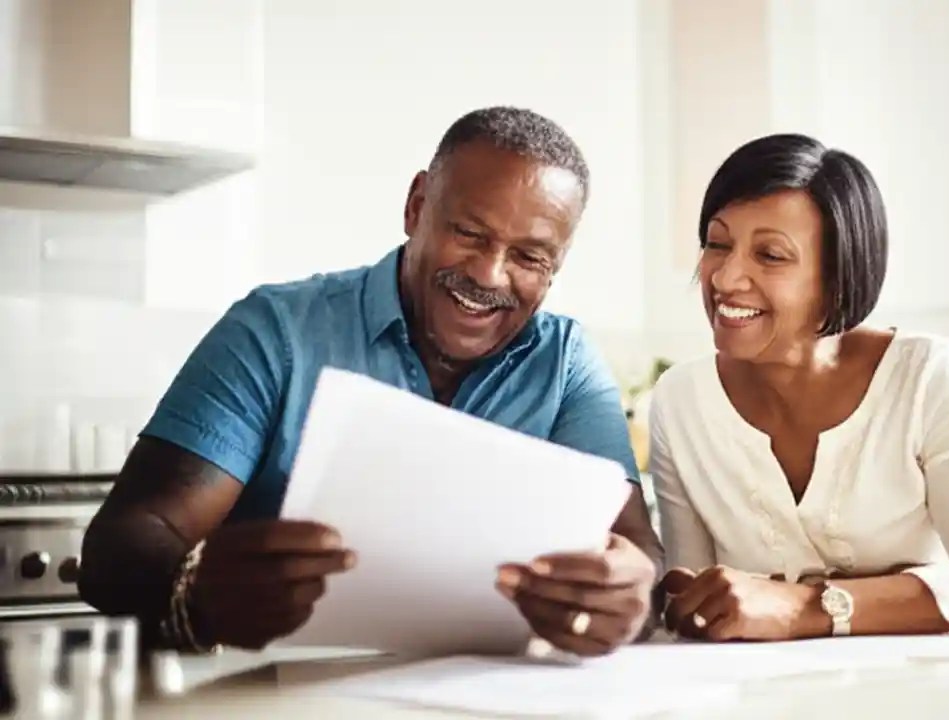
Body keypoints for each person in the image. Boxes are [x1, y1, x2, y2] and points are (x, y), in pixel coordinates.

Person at [79, 107, 661, 658]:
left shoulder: (563, 359)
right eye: (469, 232)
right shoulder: (278, 331)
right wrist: (198, 592)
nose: (489, 274)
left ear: (557, 264)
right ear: (416, 206)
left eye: (529, 257)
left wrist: (630, 596)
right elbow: (121, 546)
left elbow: (639, 553)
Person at [651, 133, 949, 641]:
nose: (726, 277)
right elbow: (692, 606)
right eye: (717, 244)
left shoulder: (925, 374)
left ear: (838, 279)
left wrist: (804, 606)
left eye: (771, 256)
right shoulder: (679, 399)